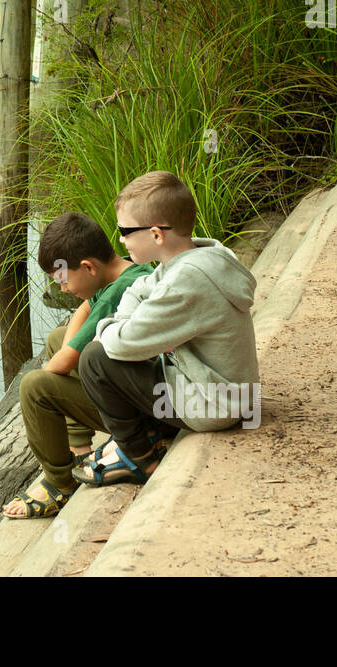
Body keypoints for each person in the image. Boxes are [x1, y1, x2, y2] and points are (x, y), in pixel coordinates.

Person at [74, 170, 259, 488]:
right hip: (224, 390)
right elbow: (137, 290)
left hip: (216, 404)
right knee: (133, 349)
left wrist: (108, 326)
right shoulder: (202, 258)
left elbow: (119, 344)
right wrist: (126, 324)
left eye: (125, 231)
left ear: (156, 235)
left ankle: (139, 458)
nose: (120, 240)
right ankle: (151, 432)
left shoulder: (186, 283)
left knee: (94, 359)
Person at [1, 212, 156, 520]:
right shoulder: (126, 270)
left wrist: (44, 390)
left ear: (88, 266)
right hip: (143, 390)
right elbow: (84, 310)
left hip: (144, 413)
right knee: (60, 338)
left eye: (63, 281)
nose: (63, 290)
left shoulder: (118, 293)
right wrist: (69, 344)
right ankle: (78, 449)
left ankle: (60, 483)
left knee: (33, 386)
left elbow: (65, 362)